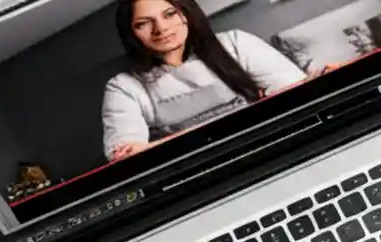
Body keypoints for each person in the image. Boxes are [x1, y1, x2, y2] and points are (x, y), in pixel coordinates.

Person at [101, 0, 316, 163]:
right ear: (131, 34)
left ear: (186, 13)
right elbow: (126, 158)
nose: (161, 28)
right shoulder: (123, 87)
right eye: (143, 24)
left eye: (169, 14)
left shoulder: (235, 44)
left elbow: (297, 96)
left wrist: (161, 144)